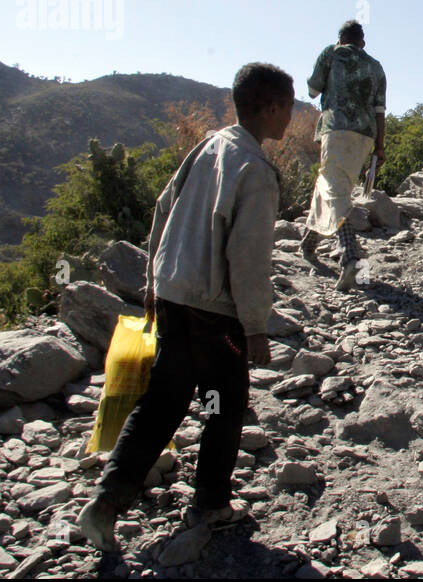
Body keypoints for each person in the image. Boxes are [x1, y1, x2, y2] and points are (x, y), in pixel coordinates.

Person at [78, 63, 293, 551]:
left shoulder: (211, 145)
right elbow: (248, 257)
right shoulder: (256, 171)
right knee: (224, 406)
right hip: (214, 313)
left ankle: (106, 504)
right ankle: (212, 502)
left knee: (163, 403)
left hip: (175, 298)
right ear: (272, 106)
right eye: (290, 106)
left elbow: (162, 206)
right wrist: (255, 327)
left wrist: (155, 279)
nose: (291, 117)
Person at [298, 20, 387, 291]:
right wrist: (380, 147)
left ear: (340, 39)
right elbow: (380, 110)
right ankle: (308, 243)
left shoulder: (332, 53)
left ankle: (350, 256)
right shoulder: (376, 66)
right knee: (332, 185)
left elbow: (313, 90)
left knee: (334, 189)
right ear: (363, 42)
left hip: (336, 129)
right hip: (366, 135)